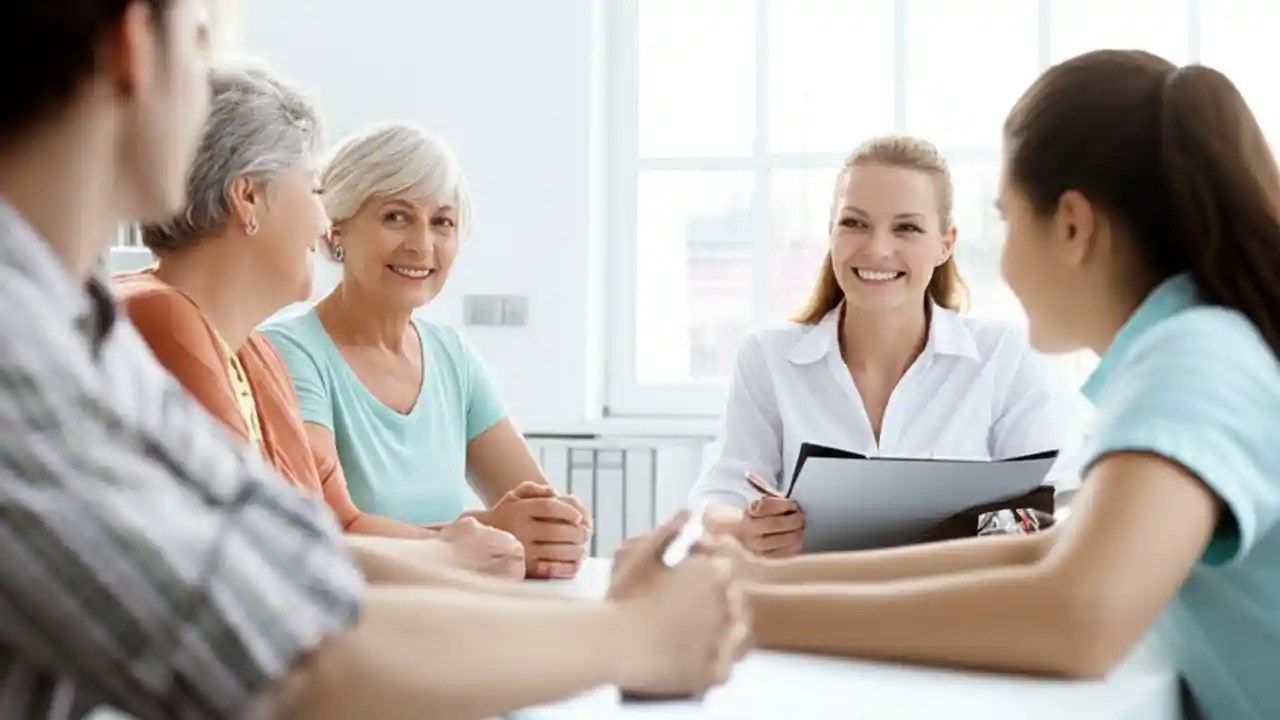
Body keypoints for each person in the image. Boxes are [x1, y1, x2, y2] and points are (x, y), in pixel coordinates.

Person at [0, 1, 747, 717]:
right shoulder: (27, 351)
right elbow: (294, 660)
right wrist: (638, 633)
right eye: (197, 40)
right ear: (134, 45)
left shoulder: (78, 329)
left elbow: (299, 561)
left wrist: (602, 608)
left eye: (442, 221)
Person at [718, 49, 1280, 719]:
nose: (1003, 258)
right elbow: (1047, 551)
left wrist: (746, 609)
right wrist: (752, 583)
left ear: (1071, 226)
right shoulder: (1195, 345)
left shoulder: (1194, 357)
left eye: (1007, 219)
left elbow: (1078, 614)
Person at [115, 64, 525, 579]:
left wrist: (463, 543)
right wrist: (449, 553)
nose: (323, 220)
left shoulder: (252, 354)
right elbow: (259, 548)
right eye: (313, 191)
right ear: (248, 198)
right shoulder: (162, 314)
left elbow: (328, 528)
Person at [691, 135, 1081, 556]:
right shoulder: (767, 357)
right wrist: (745, 527)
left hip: (955, 607)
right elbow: (717, 497)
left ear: (945, 243)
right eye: (854, 223)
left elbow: (1059, 502)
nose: (877, 249)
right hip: (809, 606)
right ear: (831, 232)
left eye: (907, 228)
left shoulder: (1005, 355)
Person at [263, 123, 590, 579]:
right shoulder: (288, 350)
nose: (422, 245)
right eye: (396, 217)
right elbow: (323, 529)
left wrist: (557, 528)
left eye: (442, 222)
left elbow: (535, 507)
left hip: (448, 612)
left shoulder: (451, 354)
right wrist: (482, 534)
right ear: (335, 229)